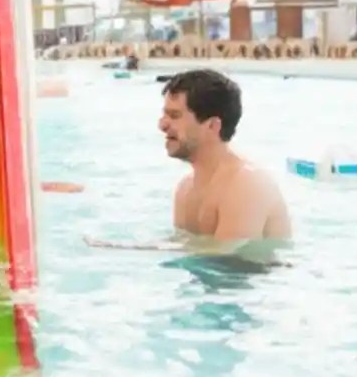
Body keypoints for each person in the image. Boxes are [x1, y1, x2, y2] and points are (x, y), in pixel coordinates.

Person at [86, 69, 291, 253]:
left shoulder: (247, 184)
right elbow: (188, 250)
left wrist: (131, 248)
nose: (162, 125)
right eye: (164, 115)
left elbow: (231, 260)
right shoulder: (185, 189)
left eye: (174, 116)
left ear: (212, 126)